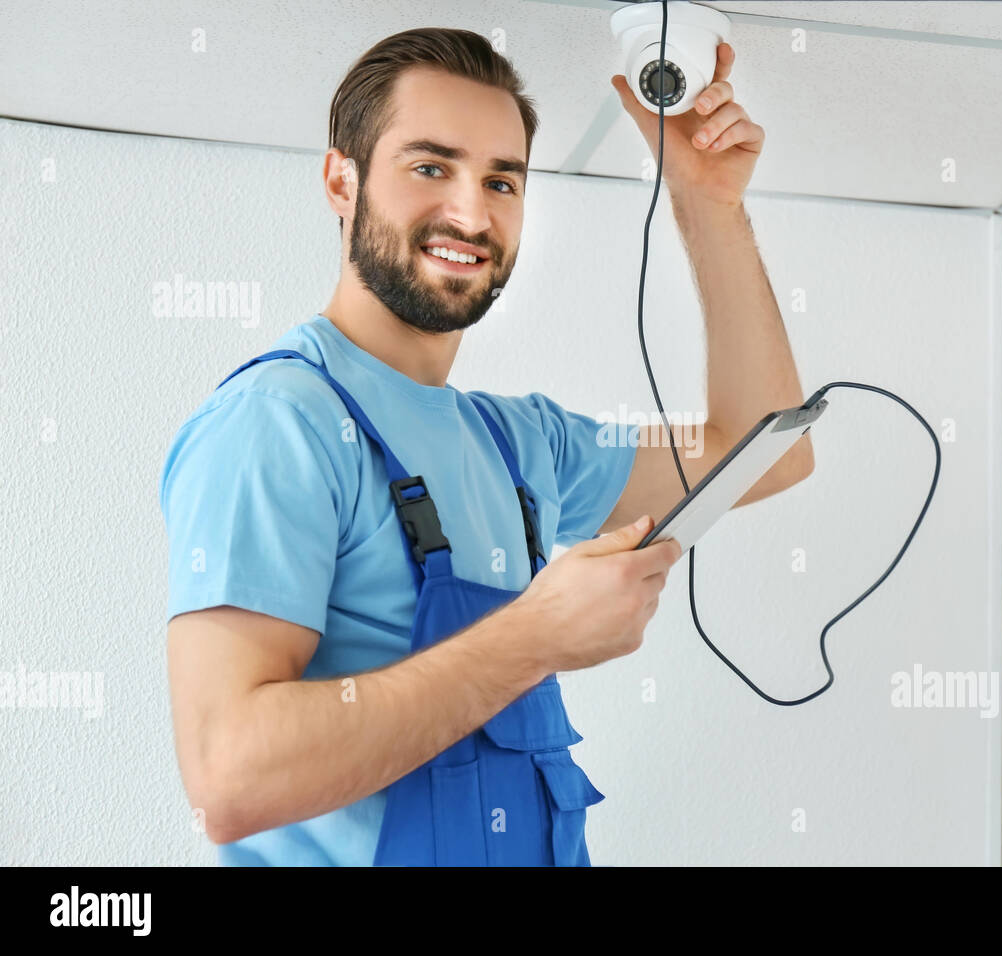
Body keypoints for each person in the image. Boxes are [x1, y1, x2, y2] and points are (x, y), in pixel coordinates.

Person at [159, 27, 813, 866]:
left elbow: (764, 450)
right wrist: (534, 637)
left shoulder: (515, 444)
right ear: (341, 181)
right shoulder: (277, 424)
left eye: (501, 180)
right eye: (431, 167)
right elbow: (230, 779)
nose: (471, 213)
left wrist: (706, 200)